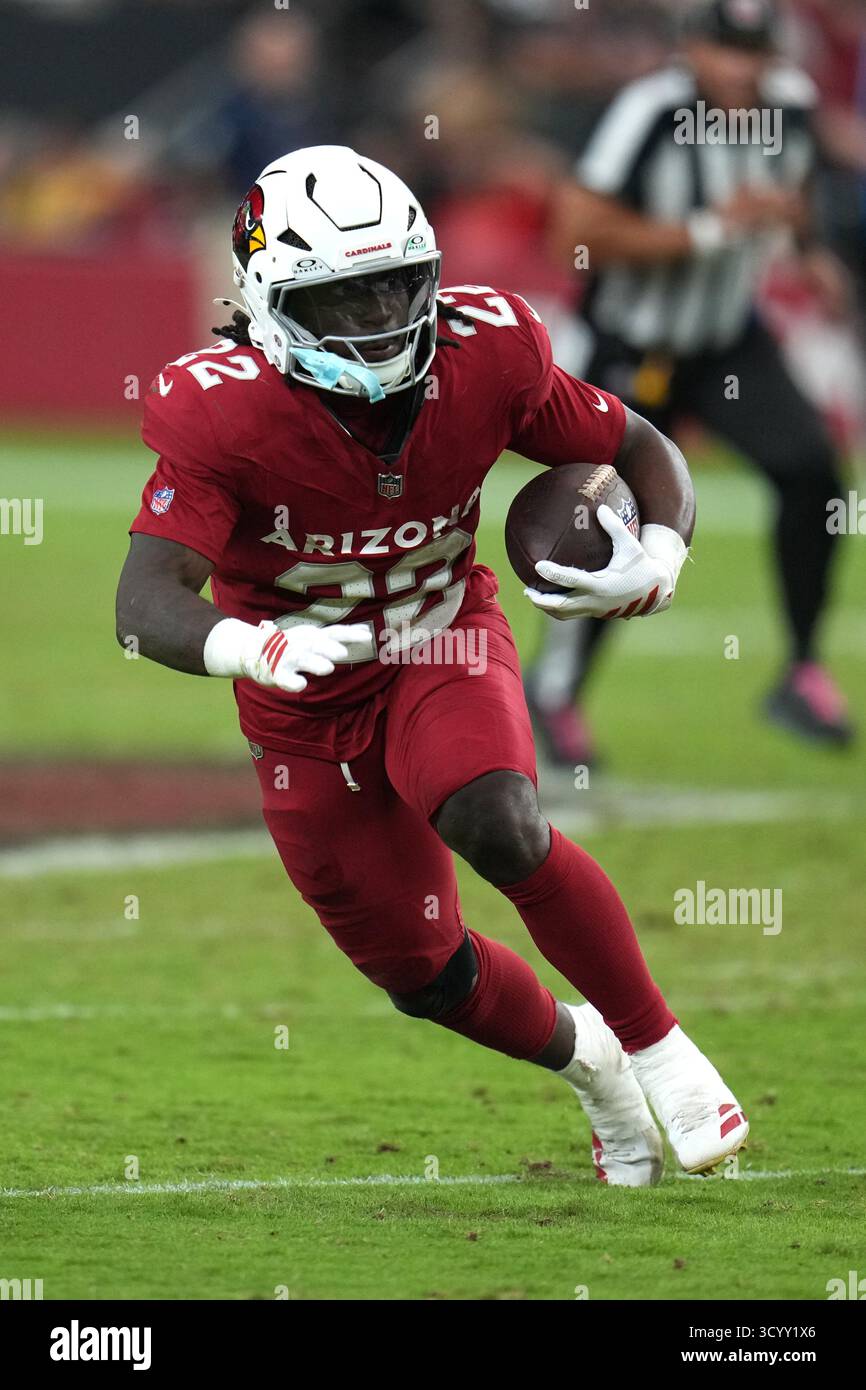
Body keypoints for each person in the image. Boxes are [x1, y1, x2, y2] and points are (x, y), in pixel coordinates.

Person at [115, 144, 748, 1185]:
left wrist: (661, 552)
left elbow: (638, 444)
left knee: (491, 813)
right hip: (300, 706)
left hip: (437, 636)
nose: (381, 318)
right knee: (417, 968)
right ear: (273, 300)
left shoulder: (486, 351)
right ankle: (591, 1061)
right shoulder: (219, 408)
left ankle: (660, 1048)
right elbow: (143, 604)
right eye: (344, 297)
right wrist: (251, 643)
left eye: (398, 284)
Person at [529, 0, 854, 767]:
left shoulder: (791, 105)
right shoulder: (650, 112)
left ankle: (800, 668)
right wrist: (708, 229)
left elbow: (794, 185)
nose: (741, 71)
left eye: (754, 52)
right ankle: (557, 691)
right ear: (693, 50)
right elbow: (572, 233)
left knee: (813, 473)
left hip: (724, 338)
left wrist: (809, 250)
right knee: (611, 518)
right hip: (632, 344)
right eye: (725, 50)